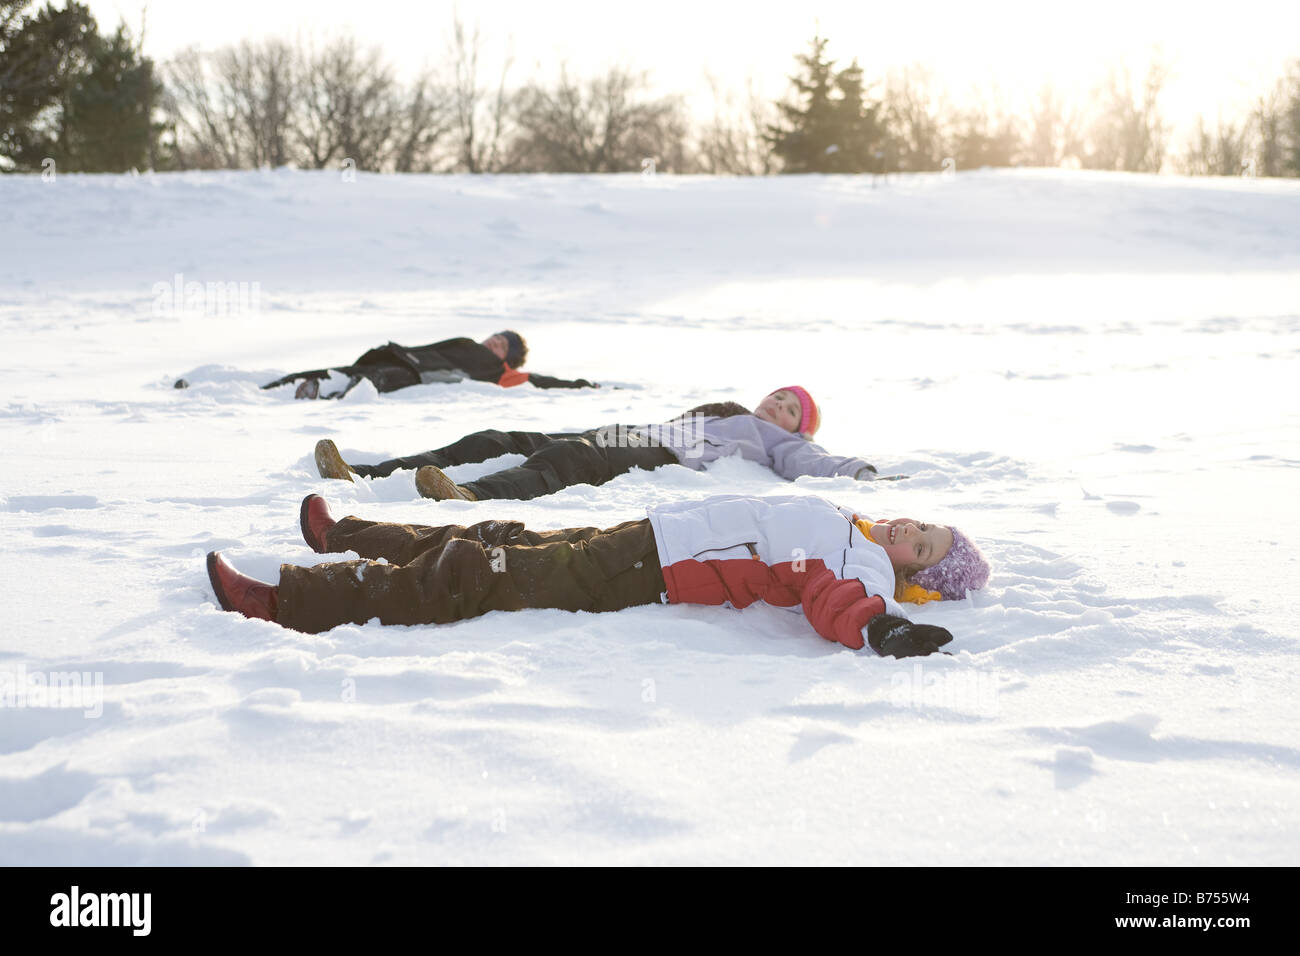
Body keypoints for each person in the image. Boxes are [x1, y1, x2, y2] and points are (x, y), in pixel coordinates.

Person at [204, 492, 990, 657]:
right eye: (921, 524)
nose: (909, 532)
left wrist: (882, 626)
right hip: (646, 534)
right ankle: (344, 534)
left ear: (918, 579)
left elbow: (837, 603)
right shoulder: (850, 521)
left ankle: (289, 601)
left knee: (480, 569)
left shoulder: (861, 567)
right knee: (494, 533)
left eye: (922, 547)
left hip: (647, 569)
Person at [311, 386, 897, 501]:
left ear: (797, 427)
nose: (778, 406)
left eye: (792, 409)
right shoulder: (725, 411)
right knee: (500, 436)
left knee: (570, 462)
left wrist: (864, 473)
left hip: (661, 455)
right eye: (778, 396)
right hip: (636, 431)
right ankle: (365, 472)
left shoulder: (775, 442)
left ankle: (465, 495)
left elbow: (815, 462)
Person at [259, 330, 598, 399]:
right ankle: (279, 386)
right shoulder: (466, 343)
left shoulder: (503, 375)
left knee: (373, 380)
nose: (493, 342)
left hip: (414, 373)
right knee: (344, 370)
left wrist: (585, 386)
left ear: (507, 358)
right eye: (494, 337)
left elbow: (545, 382)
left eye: (501, 345)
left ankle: (321, 391)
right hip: (404, 357)